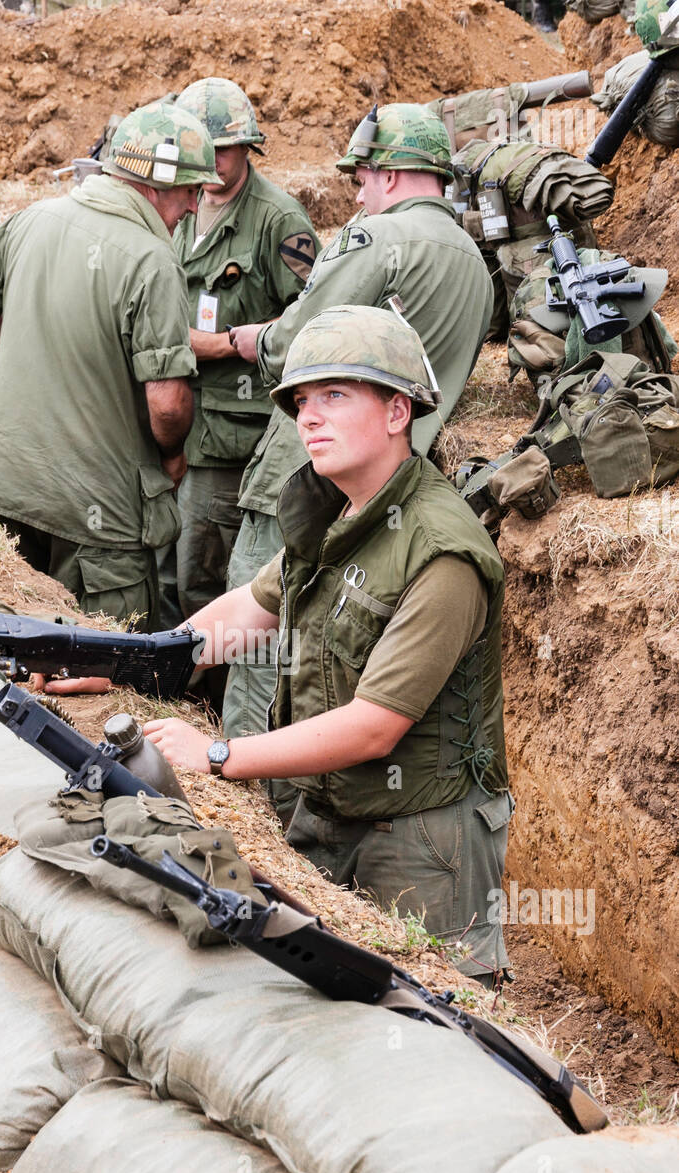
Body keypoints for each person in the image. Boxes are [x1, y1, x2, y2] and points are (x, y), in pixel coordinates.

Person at [141, 305, 513, 985]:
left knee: (440, 1030)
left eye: (335, 396)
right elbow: (248, 611)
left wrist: (218, 755)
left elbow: (375, 727)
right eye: (302, 401)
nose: (309, 417)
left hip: (423, 848)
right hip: (326, 816)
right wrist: (133, 663)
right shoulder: (331, 507)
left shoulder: (443, 553)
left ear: (398, 412)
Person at [221, 102, 493, 748]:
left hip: (306, 470)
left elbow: (294, 344)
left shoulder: (377, 239)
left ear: (389, 175)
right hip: (386, 481)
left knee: (262, 647)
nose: (360, 194)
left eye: (362, 179)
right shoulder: (477, 268)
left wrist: (247, 342)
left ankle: (247, 796)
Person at [0, 101, 220, 630]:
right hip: (97, 516)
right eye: (190, 189)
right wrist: (175, 455)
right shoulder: (151, 260)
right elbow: (167, 402)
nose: (193, 205)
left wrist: (34, 360)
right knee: (101, 675)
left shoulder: (33, 219)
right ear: (154, 185)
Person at [169, 77, 318, 620]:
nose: (212, 163)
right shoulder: (176, 208)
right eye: (201, 149)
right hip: (171, 420)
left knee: (204, 578)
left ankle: (208, 697)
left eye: (224, 149)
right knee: (168, 565)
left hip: (233, 438)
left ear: (246, 148)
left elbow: (314, 319)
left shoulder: (278, 220)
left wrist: (228, 344)